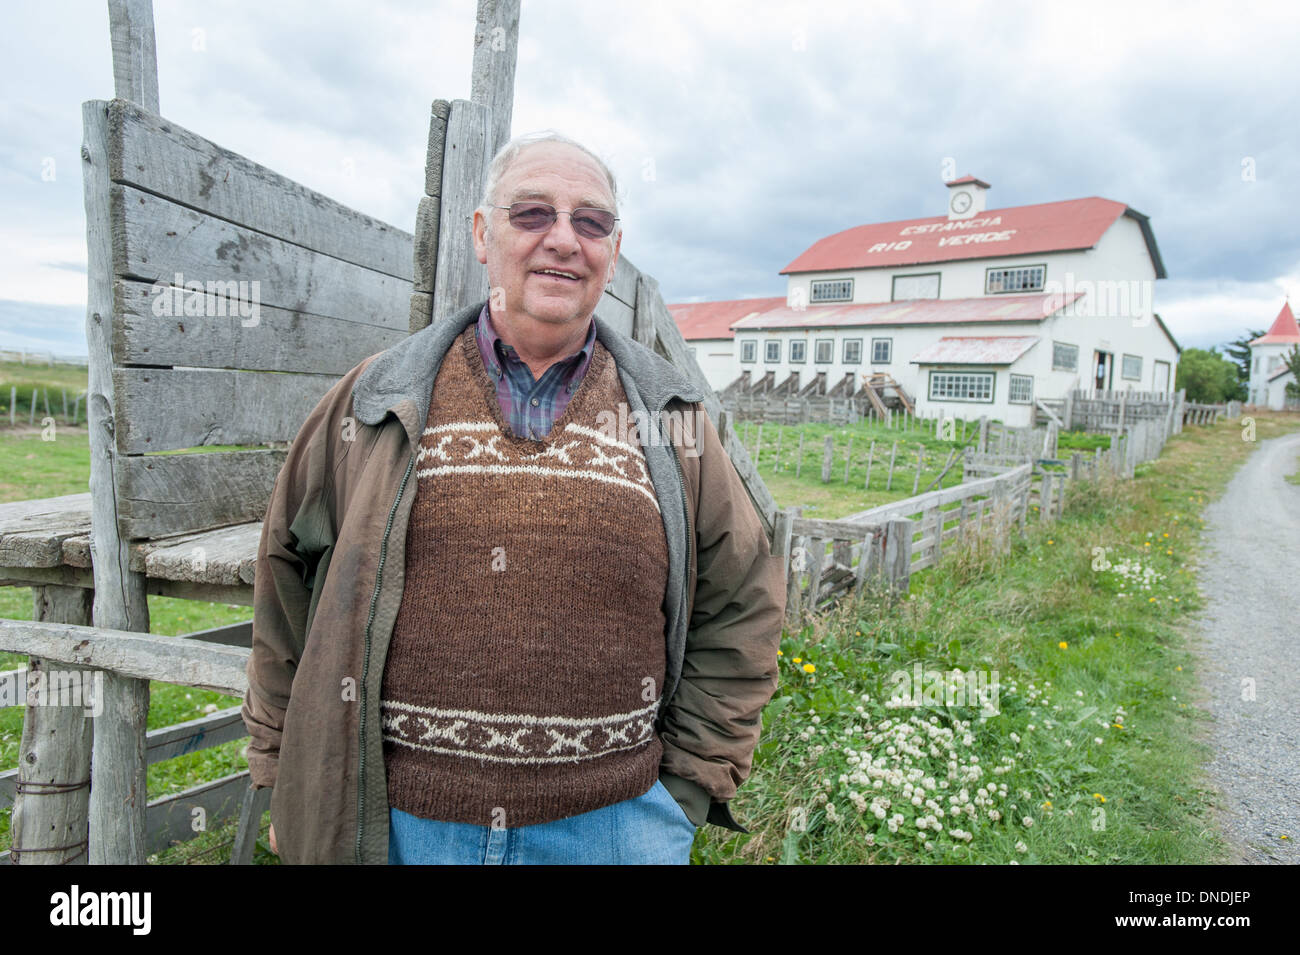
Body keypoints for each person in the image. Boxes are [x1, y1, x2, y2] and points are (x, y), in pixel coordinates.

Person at [240, 130, 786, 864]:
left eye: (590, 222)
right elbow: (284, 585)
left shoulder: (670, 415)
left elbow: (744, 597)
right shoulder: (376, 397)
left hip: (613, 831)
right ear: (480, 234)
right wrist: (285, 774)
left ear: (612, 251)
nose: (564, 239)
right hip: (397, 828)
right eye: (532, 214)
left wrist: (684, 791)